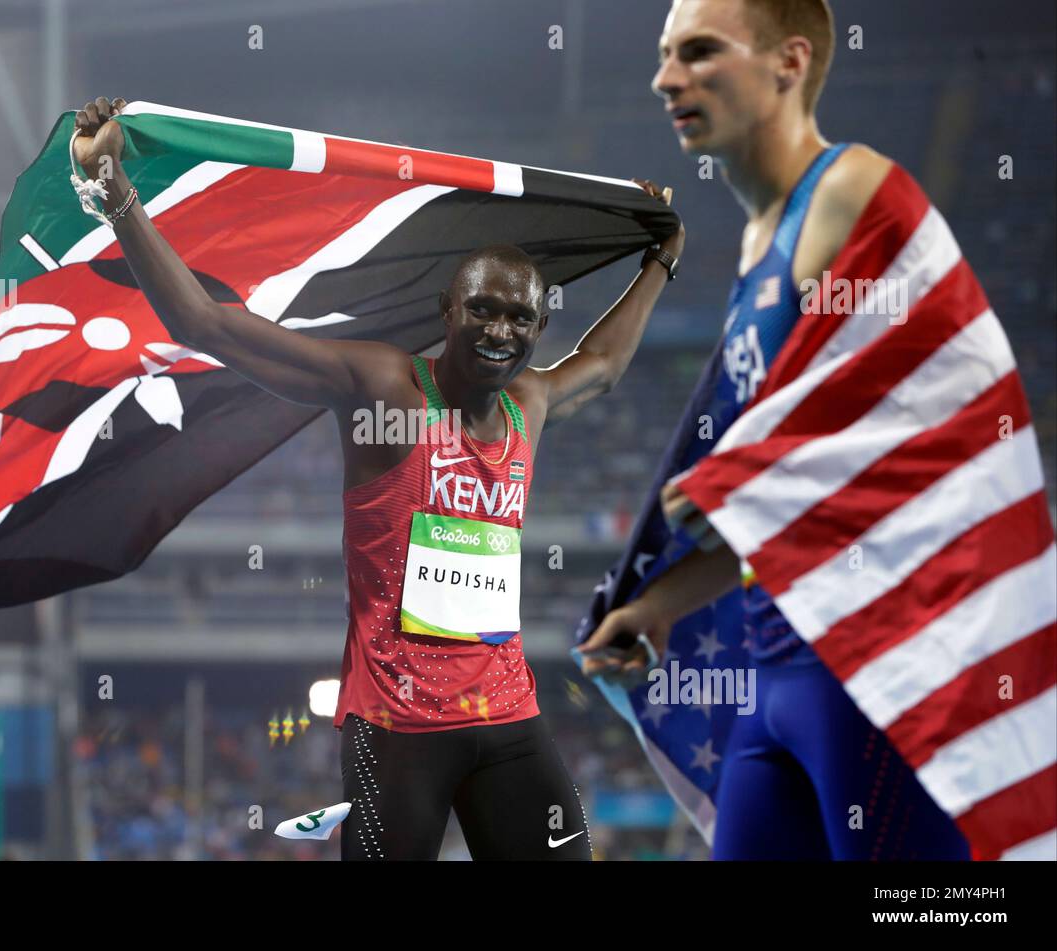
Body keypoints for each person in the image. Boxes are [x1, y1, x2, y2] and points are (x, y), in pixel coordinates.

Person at [71, 96, 684, 860]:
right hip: (395, 732)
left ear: (537, 327)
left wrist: (662, 256)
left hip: (506, 717)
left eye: (520, 319)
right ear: (447, 310)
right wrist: (116, 192)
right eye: (483, 310)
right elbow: (208, 323)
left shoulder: (530, 401)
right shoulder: (386, 388)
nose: (502, 331)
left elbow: (605, 364)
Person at [580, 0, 973, 859]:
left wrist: (742, 481)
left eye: (699, 52)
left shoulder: (852, 189)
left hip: (876, 657)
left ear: (790, 62)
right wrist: (657, 605)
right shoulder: (760, 244)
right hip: (773, 665)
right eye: (662, 55)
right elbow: (777, 509)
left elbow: (932, 415)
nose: (664, 78)